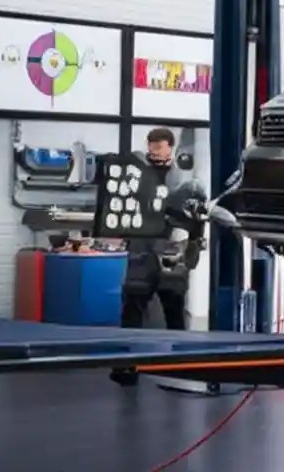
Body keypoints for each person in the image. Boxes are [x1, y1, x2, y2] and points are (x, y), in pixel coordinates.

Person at [110, 127, 206, 386]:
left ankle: (180, 365)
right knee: (132, 310)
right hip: (140, 254)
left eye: (159, 146)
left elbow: (196, 222)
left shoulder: (186, 182)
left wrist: (193, 250)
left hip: (170, 255)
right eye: (151, 146)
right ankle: (126, 367)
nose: (154, 150)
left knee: (174, 311)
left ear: (170, 148)